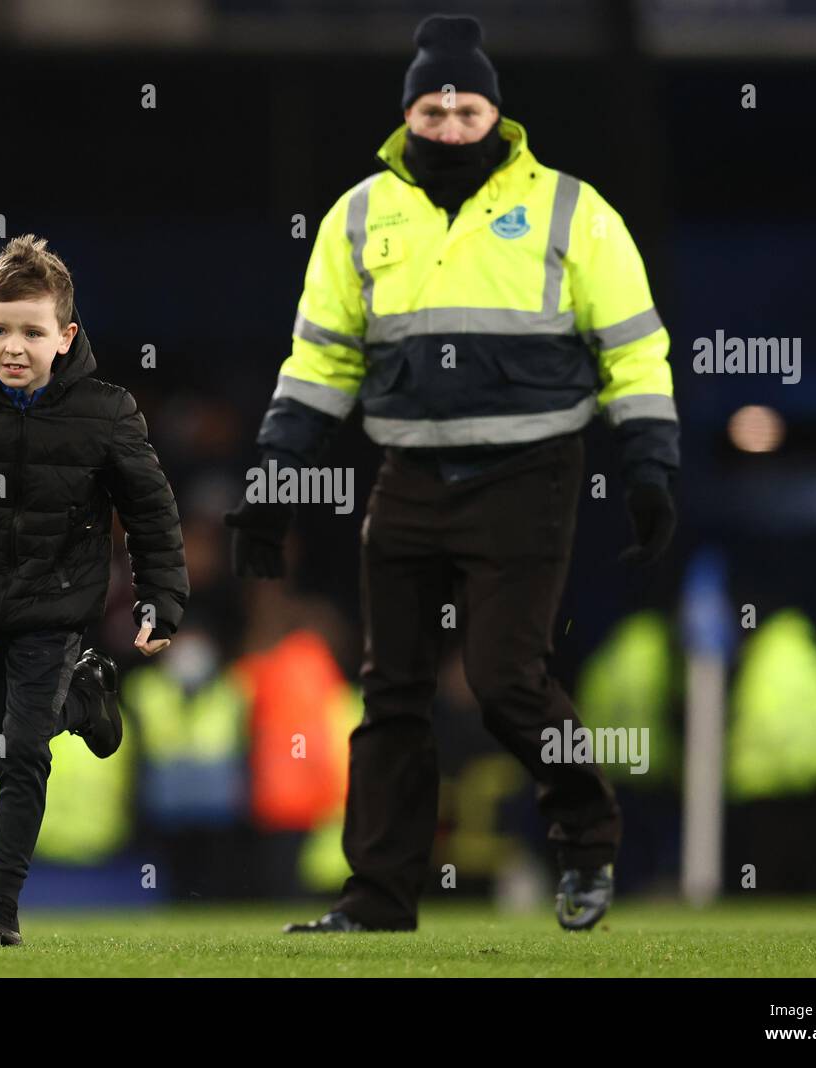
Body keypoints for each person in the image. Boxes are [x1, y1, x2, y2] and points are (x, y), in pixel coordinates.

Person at [226, 15, 679, 932]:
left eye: (467, 107)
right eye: (434, 107)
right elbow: (317, 366)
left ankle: (586, 837)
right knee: (390, 691)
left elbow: (635, 351)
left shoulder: (570, 210)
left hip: (532, 474)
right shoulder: (359, 216)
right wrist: (271, 488)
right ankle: (380, 900)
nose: (449, 123)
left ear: (495, 116)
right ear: (408, 113)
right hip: (409, 477)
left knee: (506, 678)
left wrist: (650, 465)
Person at [0, 234, 189, 945]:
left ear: (65, 336)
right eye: (0, 329)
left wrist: (162, 598)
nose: (13, 346)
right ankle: (87, 696)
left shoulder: (107, 413)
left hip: (55, 611)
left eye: (31, 331)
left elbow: (151, 511)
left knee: (24, 751)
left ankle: (0, 910)